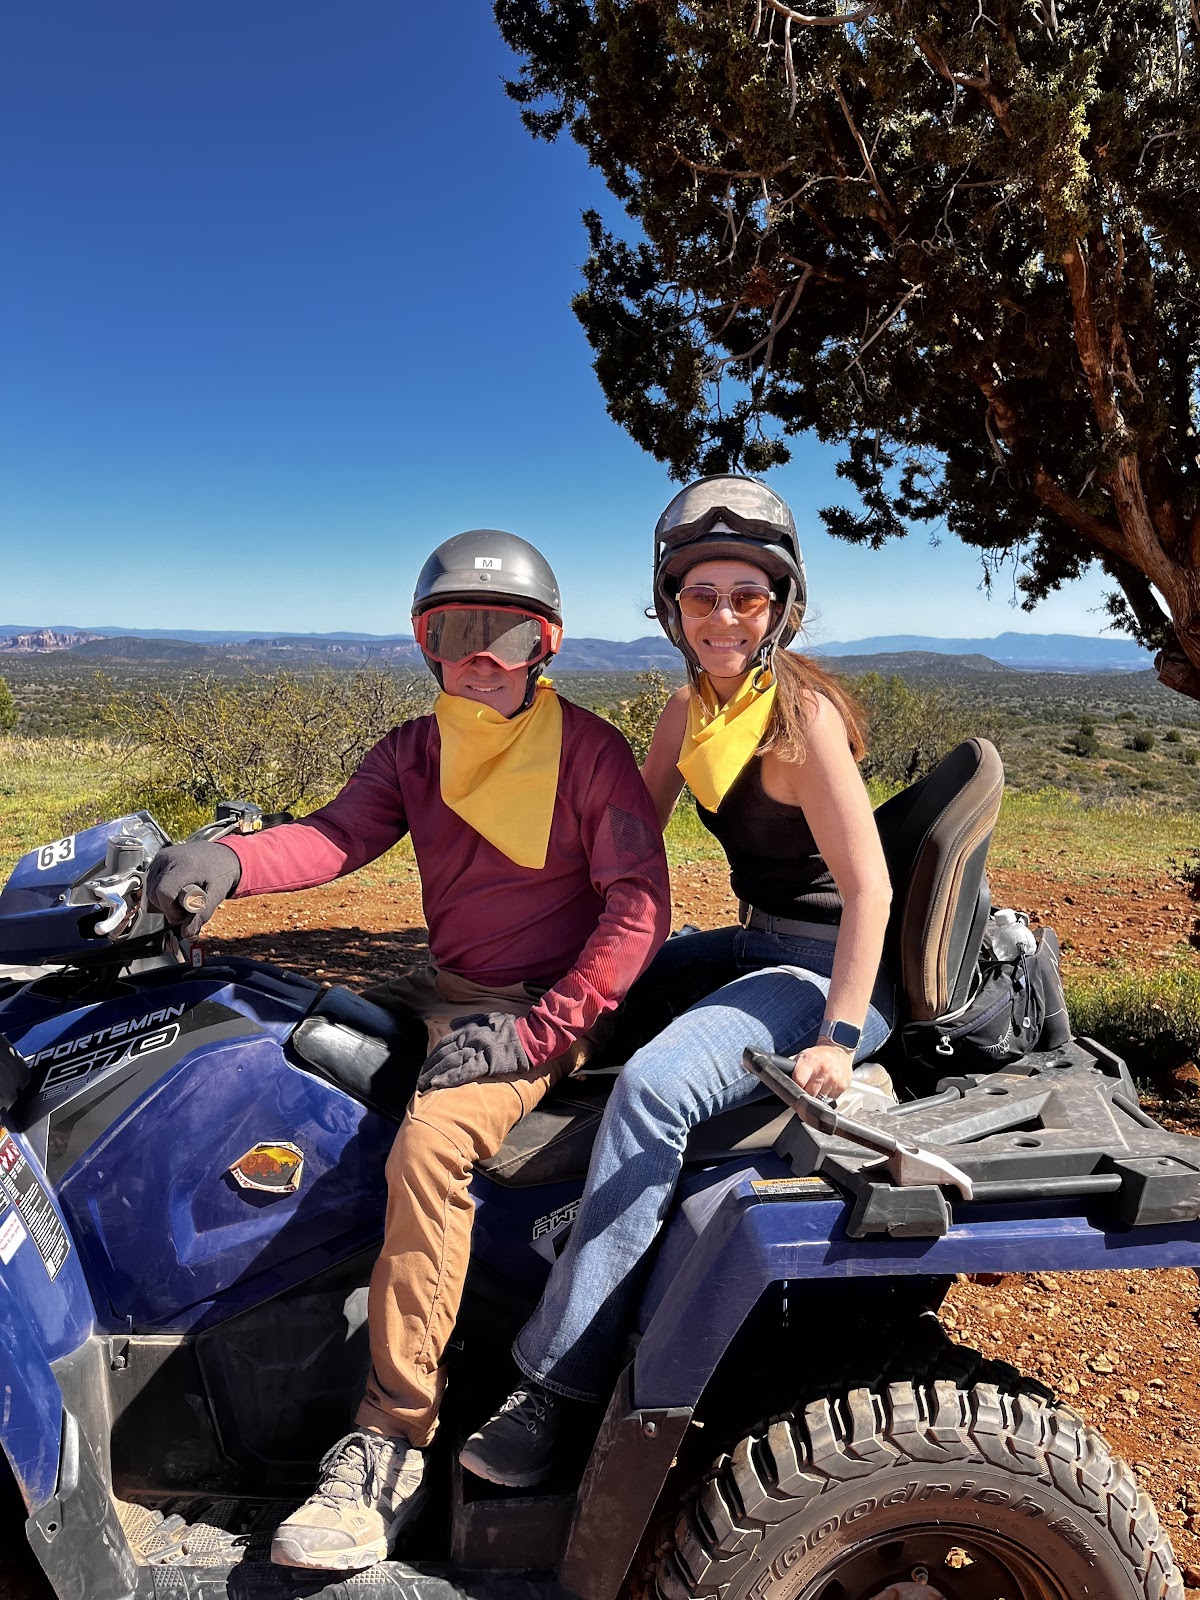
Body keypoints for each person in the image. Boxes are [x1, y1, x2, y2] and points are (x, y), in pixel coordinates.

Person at [145, 529, 671, 1573]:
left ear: (545, 646)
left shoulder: (589, 752)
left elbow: (639, 906)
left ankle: (392, 1437)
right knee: (281, 1041)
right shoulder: (414, 751)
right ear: (426, 644)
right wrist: (228, 861)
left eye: (506, 634)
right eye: (454, 631)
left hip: (542, 1004)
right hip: (446, 981)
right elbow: (337, 835)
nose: (480, 657)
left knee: (431, 1145)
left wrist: (542, 1030)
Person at [460, 475, 894, 1489]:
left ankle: (556, 1384)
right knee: (597, 992)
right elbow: (624, 852)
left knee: (656, 1086)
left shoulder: (803, 720)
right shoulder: (689, 717)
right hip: (754, 943)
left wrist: (835, 1037)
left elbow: (870, 892)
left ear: (780, 607)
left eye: (747, 596)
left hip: (826, 972)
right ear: (674, 609)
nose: (723, 616)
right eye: (703, 596)